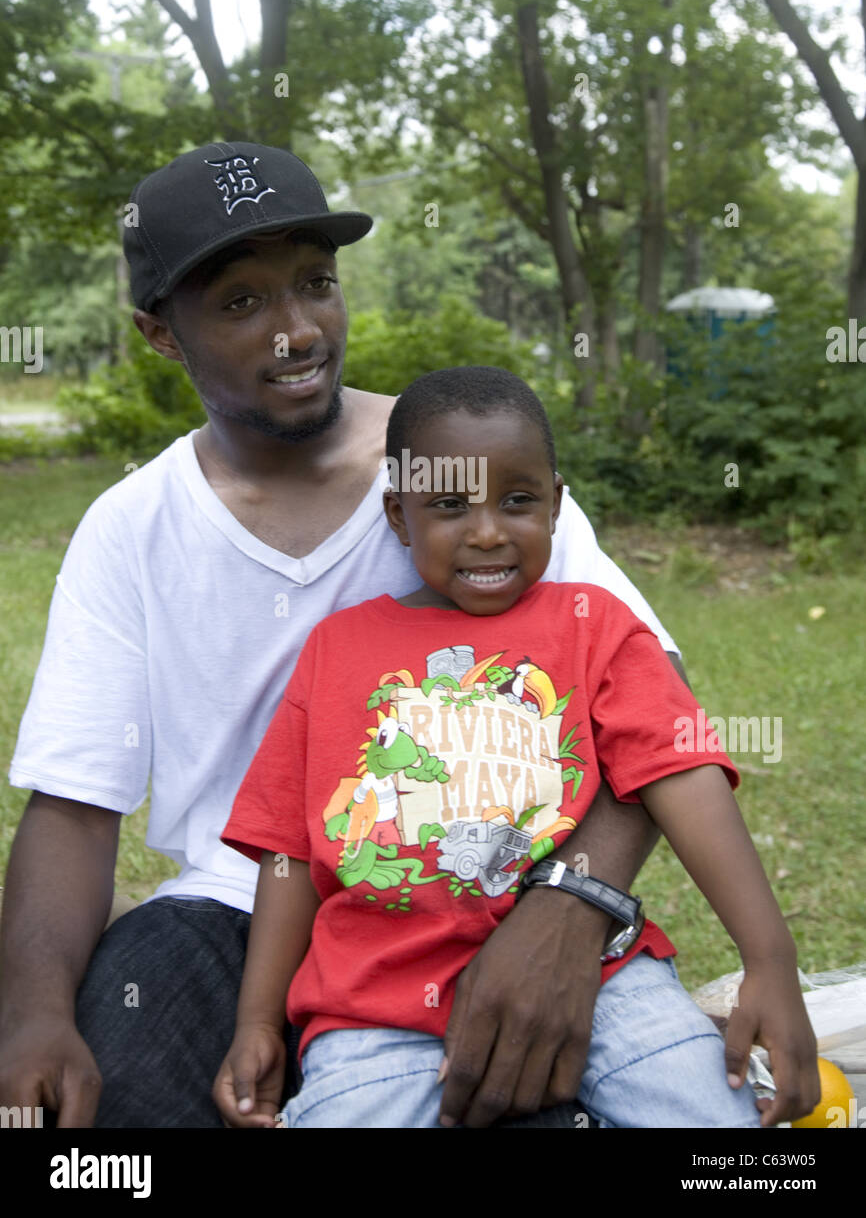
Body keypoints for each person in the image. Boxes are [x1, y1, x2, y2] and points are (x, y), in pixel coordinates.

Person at [2, 141, 688, 1129]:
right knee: (116, 1115)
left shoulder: (459, 476)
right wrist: (28, 1016)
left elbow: (654, 701)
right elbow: (72, 804)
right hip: (230, 911)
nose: (297, 329)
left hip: (466, 902)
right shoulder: (132, 526)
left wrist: (572, 901)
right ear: (160, 332)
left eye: (314, 284)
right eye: (240, 302)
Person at [216, 366, 820, 1130]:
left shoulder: (595, 626)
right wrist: (260, 1024)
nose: (489, 531)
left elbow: (684, 773)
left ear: (558, 505)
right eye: (448, 507)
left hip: (603, 986)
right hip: (375, 1007)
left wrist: (770, 960)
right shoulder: (336, 651)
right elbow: (288, 851)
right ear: (399, 517)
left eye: (519, 500)